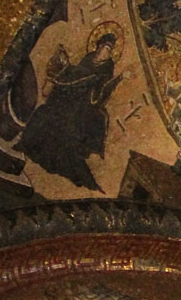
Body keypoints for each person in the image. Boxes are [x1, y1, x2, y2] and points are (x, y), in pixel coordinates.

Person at [17, 23, 123, 192]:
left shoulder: (107, 68)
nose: (106, 52)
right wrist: (66, 70)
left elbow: (99, 91)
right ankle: (27, 144)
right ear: (99, 46)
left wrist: (95, 83)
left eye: (109, 50)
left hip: (81, 105)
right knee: (44, 115)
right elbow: (76, 73)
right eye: (104, 47)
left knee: (66, 129)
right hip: (67, 97)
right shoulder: (88, 58)